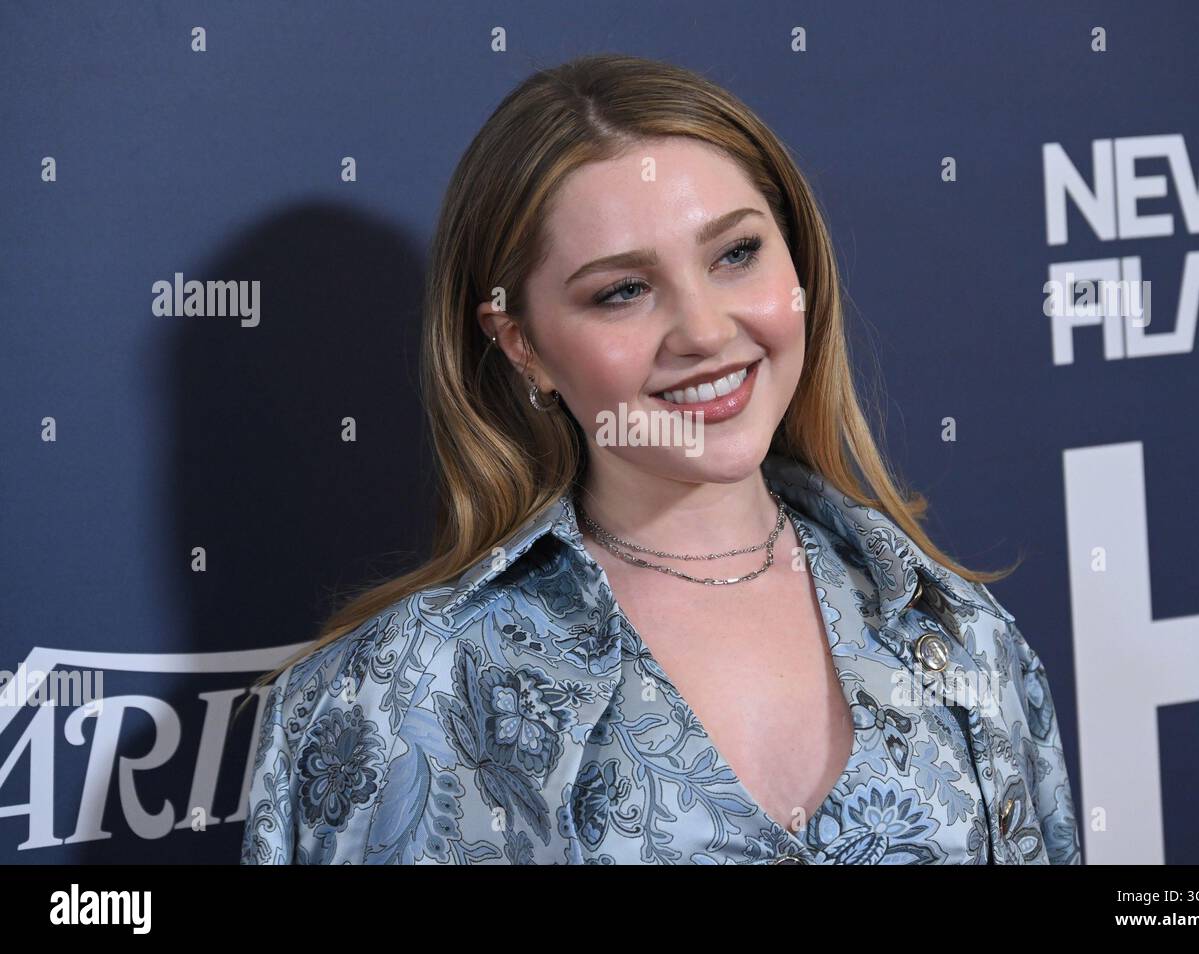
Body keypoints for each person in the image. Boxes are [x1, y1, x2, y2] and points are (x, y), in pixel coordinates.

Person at [238, 52, 1081, 865]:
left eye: (736, 254)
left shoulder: (954, 633)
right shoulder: (396, 698)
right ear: (522, 344)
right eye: (622, 292)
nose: (707, 333)